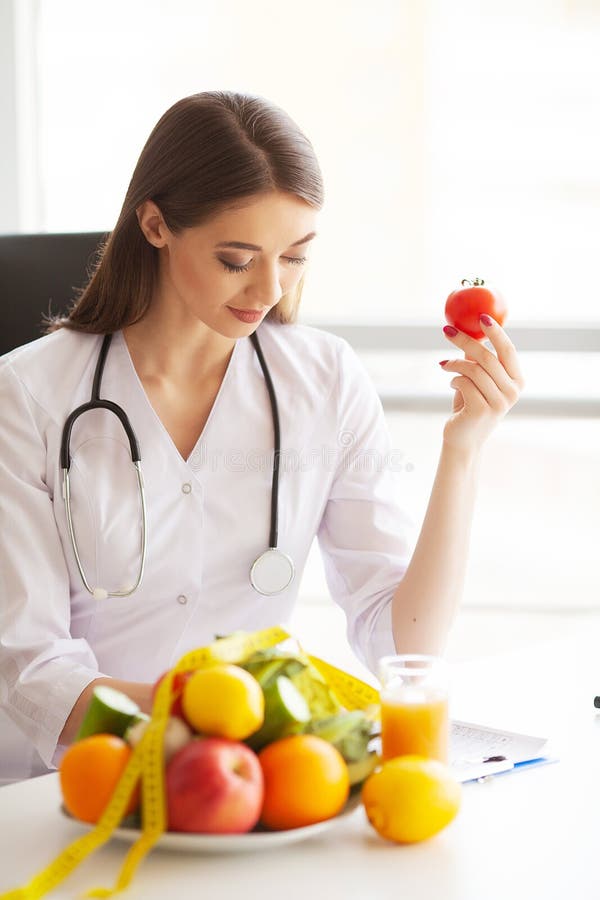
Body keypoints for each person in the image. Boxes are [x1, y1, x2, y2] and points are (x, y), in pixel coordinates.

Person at [0, 90, 524, 785]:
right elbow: (35, 671)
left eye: (295, 257)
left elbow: (405, 643)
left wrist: (465, 449)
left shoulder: (325, 377)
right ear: (155, 225)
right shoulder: (28, 394)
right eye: (236, 259)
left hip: (250, 789)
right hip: (69, 791)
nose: (270, 288)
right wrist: (215, 724)